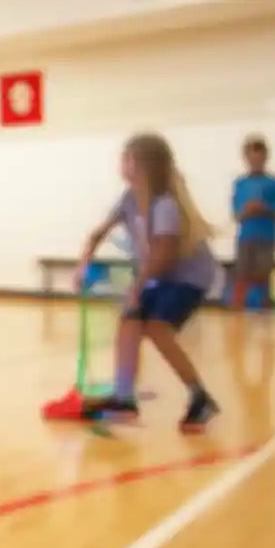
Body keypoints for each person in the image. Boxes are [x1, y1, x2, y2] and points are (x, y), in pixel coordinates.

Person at [77, 132, 220, 432]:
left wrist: (137, 289)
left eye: (125, 158)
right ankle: (124, 398)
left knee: (156, 326)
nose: (121, 164)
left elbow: (163, 256)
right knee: (130, 319)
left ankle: (200, 397)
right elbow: (98, 232)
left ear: (137, 163)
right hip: (161, 275)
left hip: (188, 277)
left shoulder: (165, 204)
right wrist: (83, 264)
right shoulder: (129, 198)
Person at [230, 135, 275, 311]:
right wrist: (245, 211)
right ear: (245, 157)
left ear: (266, 157)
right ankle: (237, 313)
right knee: (242, 274)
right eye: (251, 157)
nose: (255, 161)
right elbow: (235, 213)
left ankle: (266, 310)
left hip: (267, 236)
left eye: (259, 157)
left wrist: (265, 208)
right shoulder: (240, 183)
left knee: (263, 274)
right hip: (245, 237)